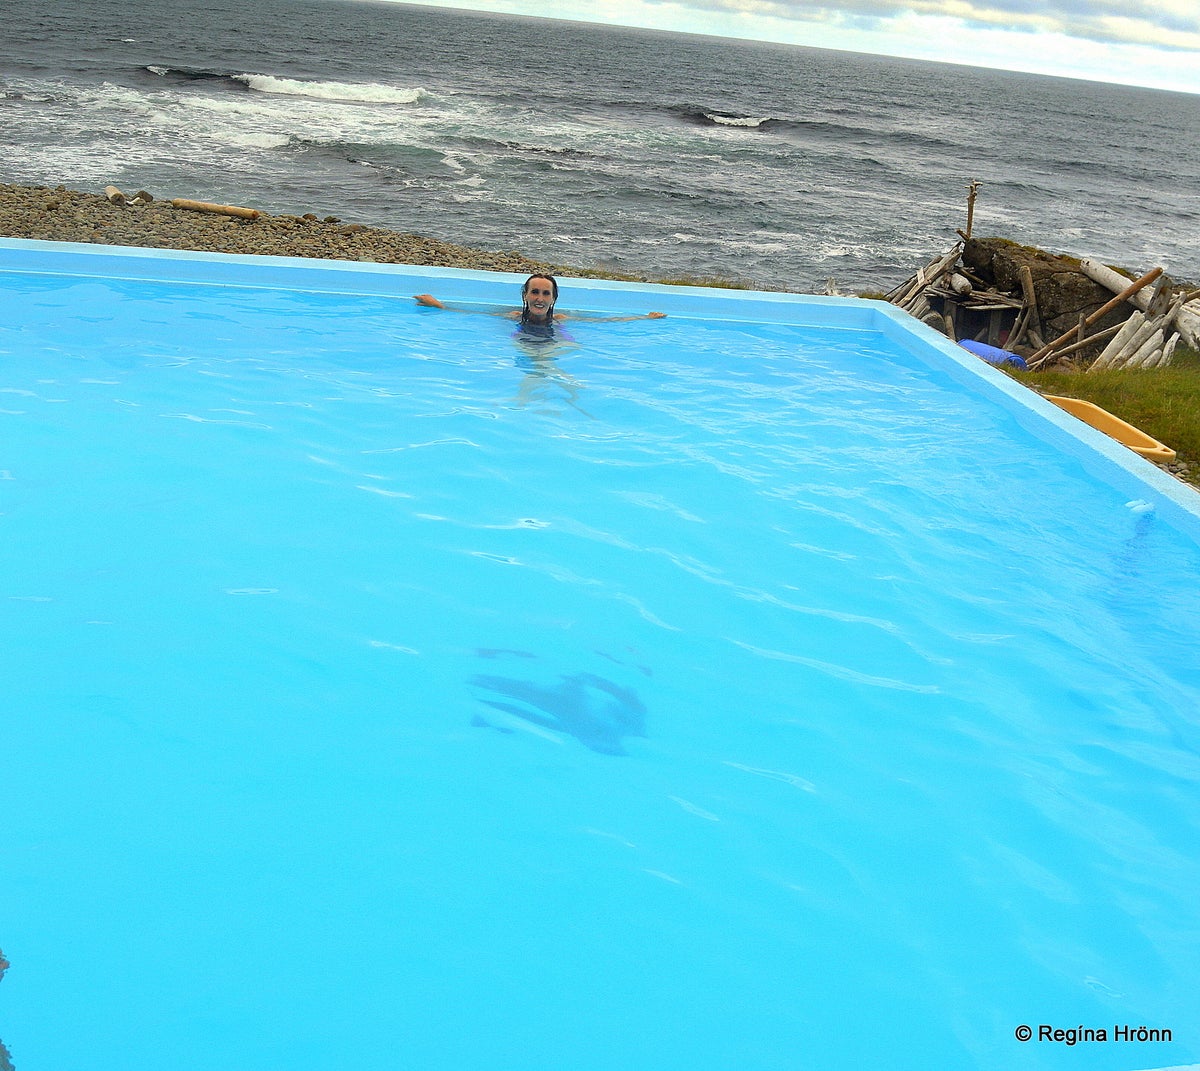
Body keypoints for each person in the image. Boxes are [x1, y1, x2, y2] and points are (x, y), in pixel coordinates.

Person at [413, 273, 666, 343]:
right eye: (535, 292)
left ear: (553, 299)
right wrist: (440, 306)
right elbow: (472, 313)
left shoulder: (560, 319)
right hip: (523, 338)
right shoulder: (513, 317)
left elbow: (604, 321)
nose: (540, 298)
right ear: (525, 295)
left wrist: (644, 318)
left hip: (553, 339)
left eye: (546, 293)